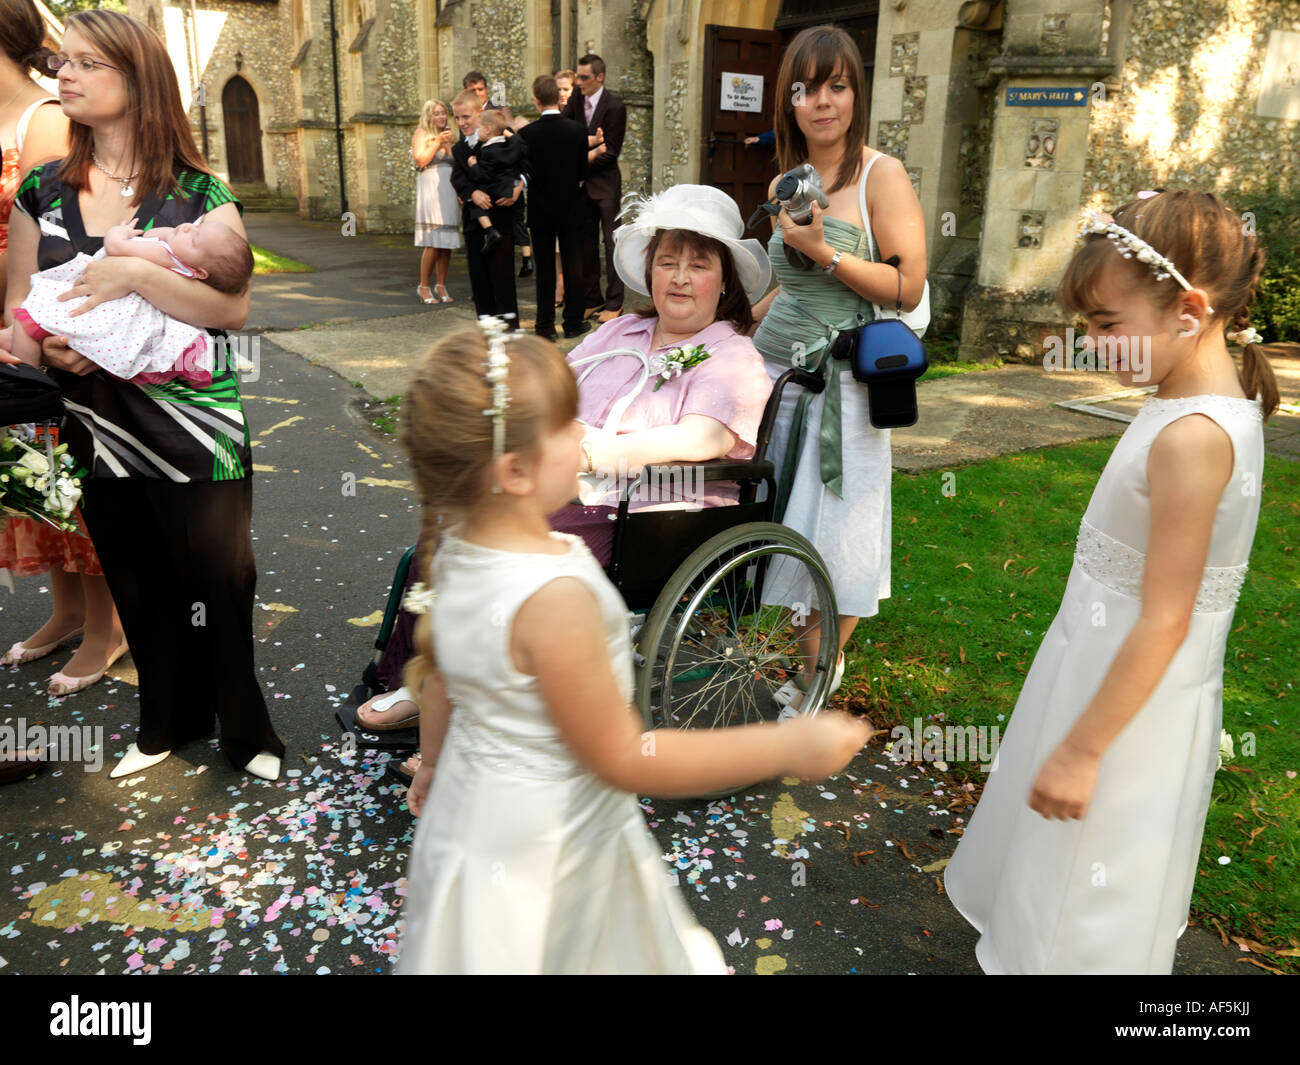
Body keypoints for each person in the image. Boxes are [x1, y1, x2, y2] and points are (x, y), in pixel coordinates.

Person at [391, 316, 873, 974]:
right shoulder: (553, 596)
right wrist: (786, 744)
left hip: (473, 823)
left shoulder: (458, 551)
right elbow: (626, 757)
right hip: (547, 848)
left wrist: (431, 763)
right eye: (569, 427)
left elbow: (445, 681)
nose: (588, 433)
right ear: (515, 470)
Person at [944, 189, 1277, 974]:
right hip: (1095, 669)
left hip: (1129, 708)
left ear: (1189, 312)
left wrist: (1083, 750)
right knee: (1054, 875)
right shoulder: (1184, 403)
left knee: (1084, 899)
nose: (1090, 346)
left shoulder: (1193, 437)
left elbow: (1166, 617)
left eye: (1105, 326)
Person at [5, 10, 284, 779]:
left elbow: (231, 310)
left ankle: (247, 730)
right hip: (95, 422)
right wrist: (52, 347)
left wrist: (131, 273)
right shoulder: (41, 192)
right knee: (136, 577)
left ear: (139, 81)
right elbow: (18, 308)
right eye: (65, 60)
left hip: (196, 422)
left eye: (89, 64)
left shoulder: (198, 191)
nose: (66, 74)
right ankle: (162, 722)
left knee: (223, 579)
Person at [750, 25, 928, 713]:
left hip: (848, 384)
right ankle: (787, 656)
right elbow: (784, 286)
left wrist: (827, 252)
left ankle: (814, 675)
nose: (820, 102)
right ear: (788, 102)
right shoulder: (784, 179)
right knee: (779, 518)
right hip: (775, 375)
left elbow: (906, 285)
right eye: (804, 89)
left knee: (841, 530)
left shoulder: (881, 174)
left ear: (856, 91)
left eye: (836, 85)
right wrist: (732, 320)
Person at [0, 0, 127, 704]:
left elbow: (59, 244)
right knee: (33, 482)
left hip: (45, 325)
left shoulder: (44, 119)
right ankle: (68, 610)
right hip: (6, 329)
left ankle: (106, 628)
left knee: (76, 485)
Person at [550, 184, 773, 567]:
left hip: (649, 516)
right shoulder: (617, 332)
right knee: (445, 550)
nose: (679, 278)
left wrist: (588, 454)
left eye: (699, 266)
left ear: (724, 283)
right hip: (563, 489)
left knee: (502, 562)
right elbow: (553, 387)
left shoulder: (733, 356)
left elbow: (700, 439)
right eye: (667, 263)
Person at [13, 217, 253, 384]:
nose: (188, 228)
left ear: (200, 272)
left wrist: (119, 231)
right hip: (115, 310)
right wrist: (180, 235)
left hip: (106, 307)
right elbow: (154, 235)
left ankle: (26, 386)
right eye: (196, 227)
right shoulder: (184, 265)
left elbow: (116, 246)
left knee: (31, 321)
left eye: (194, 240)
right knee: (29, 326)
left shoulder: (166, 255)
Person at [518, 75, 589, 341]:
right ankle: (573, 322)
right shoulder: (578, 131)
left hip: (540, 209)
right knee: (573, 266)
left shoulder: (526, 134)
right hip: (570, 206)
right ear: (559, 97)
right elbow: (583, 172)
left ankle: (545, 326)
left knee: (545, 269)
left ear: (536, 99)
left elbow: (526, 173)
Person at [562, 53, 626, 323]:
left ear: (600, 77)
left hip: (606, 186)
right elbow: (564, 133)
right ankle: (591, 299)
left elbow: (610, 152)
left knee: (612, 244)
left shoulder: (615, 107)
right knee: (584, 245)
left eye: (584, 78)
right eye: (577, 77)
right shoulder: (575, 100)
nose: (579, 83)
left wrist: (577, 163)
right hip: (581, 188)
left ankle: (614, 303)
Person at [449, 88, 521, 326]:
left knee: (502, 276)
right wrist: (472, 193)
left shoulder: (502, 139)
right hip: (473, 221)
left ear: (480, 113)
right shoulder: (460, 148)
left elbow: (524, 165)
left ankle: (509, 329)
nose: (461, 123)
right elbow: (457, 178)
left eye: (466, 117)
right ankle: (486, 327)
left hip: (501, 216)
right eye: (457, 118)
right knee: (479, 278)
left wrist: (518, 186)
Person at [462, 70, 531, 277]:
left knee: (507, 233)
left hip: (502, 187)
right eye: (472, 90)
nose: (478, 93)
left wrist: (519, 185)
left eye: (480, 89)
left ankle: (505, 279)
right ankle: (484, 283)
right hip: (480, 189)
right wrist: (468, 190)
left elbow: (522, 158)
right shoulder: (462, 117)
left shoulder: (500, 113)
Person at [412, 98, 458, 304]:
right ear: (429, 115)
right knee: (432, 241)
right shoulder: (422, 133)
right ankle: (423, 286)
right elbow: (420, 160)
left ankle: (441, 284)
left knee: (446, 243)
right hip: (431, 189)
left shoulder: (449, 135)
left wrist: (447, 145)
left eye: (443, 113)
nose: (441, 116)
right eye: (436, 113)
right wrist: (437, 142)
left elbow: (454, 163)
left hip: (448, 190)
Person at [463, 109, 526, 254]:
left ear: (488, 129)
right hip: (506, 191)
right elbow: (521, 145)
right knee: (519, 222)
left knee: (474, 204)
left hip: (492, 194)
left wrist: (473, 166)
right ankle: (526, 256)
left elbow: (482, 176)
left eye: (479, 127)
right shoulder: (510, 146)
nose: (477, 131)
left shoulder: (488, 151)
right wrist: (507, 133)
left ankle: (490, 231)